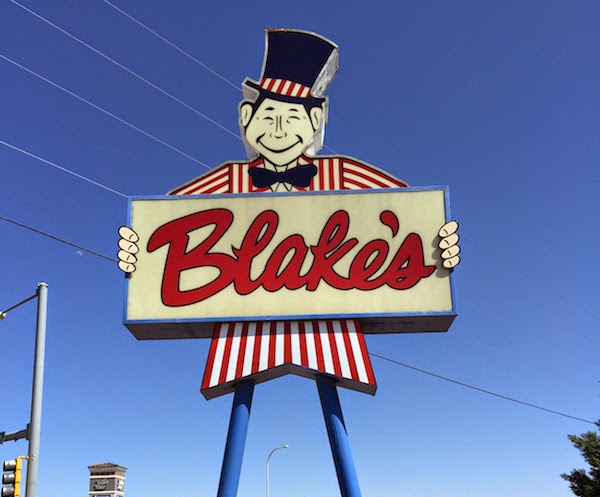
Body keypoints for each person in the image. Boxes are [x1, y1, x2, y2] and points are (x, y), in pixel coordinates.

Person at [117, 29, 460, 394]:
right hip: (239, 334)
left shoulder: (341, 174)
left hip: (333, 333)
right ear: (246, 117)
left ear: (316, 122)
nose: (279, 130)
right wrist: (137, 251)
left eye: (292, 117)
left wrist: (439, 240)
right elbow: (165, 219)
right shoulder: (229, 179)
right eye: (268, 117)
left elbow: (410, 210)